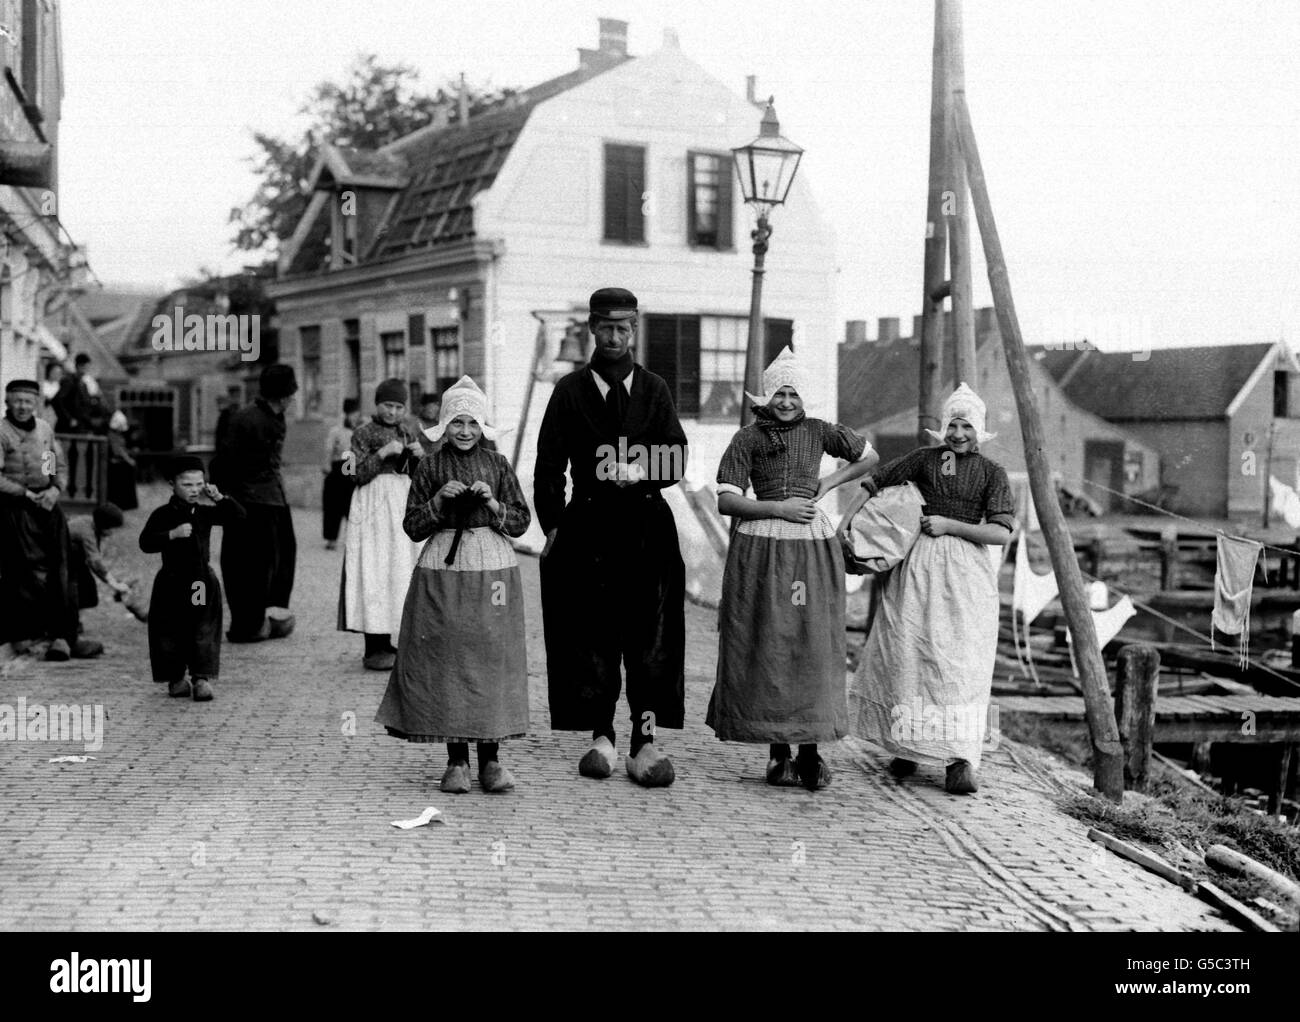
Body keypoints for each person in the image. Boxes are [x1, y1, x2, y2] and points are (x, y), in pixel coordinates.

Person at [534, 287, 688, 788]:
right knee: (593, 635)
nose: (615, 337)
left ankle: (644, 742)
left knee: (650, 640)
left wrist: (640, 470)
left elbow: (678, 459)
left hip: (646, 531)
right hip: (589, 530)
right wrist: (554, 526)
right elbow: (549, 465)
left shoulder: (655, 389)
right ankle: (601, 737)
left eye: (624, 328)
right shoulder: (569, 391)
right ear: (593, 330)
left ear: (634, 330)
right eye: (606, 328)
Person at [707, 347, 878, 790]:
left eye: (793, 394)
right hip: (760, 548)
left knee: (812, 642)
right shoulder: (748, 438)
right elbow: (726, 500)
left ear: (805, 399)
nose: (786, 402)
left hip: (812, 548)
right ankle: (777, 752)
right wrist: (777, 507)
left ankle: (811, 752)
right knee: (768, 641)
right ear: (766, 396)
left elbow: (869, 458)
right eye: (779, 393)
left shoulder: (821, 432)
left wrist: (828, 483)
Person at [849, 383, 1016, 795]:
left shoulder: (992, 474)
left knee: (960, 661)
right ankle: (907, 745)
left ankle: (960, 759)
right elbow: (875, 481)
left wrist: (949, 526)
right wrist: (846, 523)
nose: (959, 434)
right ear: (944, 427)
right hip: (918, 567)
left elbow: (999, 532)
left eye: (967, 426)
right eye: (953, 425)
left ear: (980, 431)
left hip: (967, 576)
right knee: (909, 651)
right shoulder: (925, 460)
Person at [376, 376, 531, 794]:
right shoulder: (429, 466)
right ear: (444, 425)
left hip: (493, 566)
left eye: (473, 424)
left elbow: (520, 521)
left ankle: (492, 761)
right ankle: (456, 761)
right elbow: (411, 526)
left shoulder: (498, 465)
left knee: (489, 658)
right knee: (447, 659)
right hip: (442, 567)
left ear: (484, 428)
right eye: (457, 423)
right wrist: (438, 502)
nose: (465, 432)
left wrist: (494, 503)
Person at [0, 379, 102, 660]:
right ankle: (30, 635)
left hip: (46, 506)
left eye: (28, 401)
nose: (22, 406)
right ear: (7, 402)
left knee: (63, 569)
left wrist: (56, 489)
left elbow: (53, 464)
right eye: (16, 400)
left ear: (37, 404)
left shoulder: (44, 430)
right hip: (15, 510)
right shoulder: (1, 431)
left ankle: (64, 637)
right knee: (26, 573)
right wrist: (23, 493)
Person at [140, 456, 246, 701]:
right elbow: (145, 542)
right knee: (170, 628)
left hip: (199, 581)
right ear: (172, 484)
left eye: (199, 484)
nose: (194, 490)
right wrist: (171, 534)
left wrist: (220, 498)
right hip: (172, 581)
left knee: (201, 626)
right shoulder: (163, 514)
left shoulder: (205, 513)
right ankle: (176, 678)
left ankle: (200, 677)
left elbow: (239, 518)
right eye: (187, 485)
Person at [338, 378, 423, 671]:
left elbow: (420, 475)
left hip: (401, 502)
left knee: (399, 566)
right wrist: (382, 454)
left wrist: (418, 458)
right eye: (388, 405)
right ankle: (374, 646)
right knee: (373, 567)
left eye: (399, 407)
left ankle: (390, 640)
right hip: (372, 504)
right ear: (377, 404)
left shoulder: (408, 430)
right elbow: (351, 473)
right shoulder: (360, 434)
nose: (393, 412)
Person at [218, 363, 298, 643]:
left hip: (268, 499)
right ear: (283, 396)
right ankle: (249, 623)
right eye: (291, 394)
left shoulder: (270, 416)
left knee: (275, 559)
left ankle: (262, 618)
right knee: (253, 564)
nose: (293, 399)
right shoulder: (247, 419)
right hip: (251, 503)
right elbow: (226, 463)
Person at [67, 502, 132, 612]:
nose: (112, 533)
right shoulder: (87, 532)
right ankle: (70, 620)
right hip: (61, 561)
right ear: (103, 525)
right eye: (111, 528)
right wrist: (113, 583)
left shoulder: (91, 523)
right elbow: (95, 561)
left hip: (73, 561)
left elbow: (97, 557)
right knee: (80, 590)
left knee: (88, 593)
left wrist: (112, 580)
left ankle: (75, 618)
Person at [322, 398, 362, 549]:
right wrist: (326, 467)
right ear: (346, 414)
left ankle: (352, 539)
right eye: (352, 414)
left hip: (352, 467)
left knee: (351, 505)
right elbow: (328, 449)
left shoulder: (360, 430)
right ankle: (331, 539)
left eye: (356, 414)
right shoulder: (336, 431)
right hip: (338, 466)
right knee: (333, 505)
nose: (354, 417)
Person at [105, 410, 138, 511]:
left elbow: (122, 449)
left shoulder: (117, 435)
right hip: (115, 464)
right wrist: (129, 460)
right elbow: (118, 451)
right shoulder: (112, 435)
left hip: (119, 462)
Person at [414, 392, 442, 456]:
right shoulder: (416, 424)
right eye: (431, 406)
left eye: (437, 405)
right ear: (422, 407)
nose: (434, 409)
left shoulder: (439, 424)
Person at [39, 362, 64, 429]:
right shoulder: (43, 384)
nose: (56, 375)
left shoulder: (59, 386)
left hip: (53, 413)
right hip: (42, 410)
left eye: (59, 373)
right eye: (54, 372)